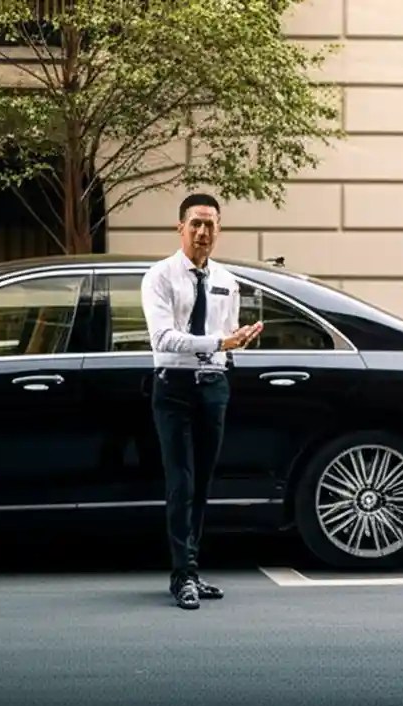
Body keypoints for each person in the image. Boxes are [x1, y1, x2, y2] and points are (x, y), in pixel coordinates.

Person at [140, 193, 263, 610]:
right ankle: (182, 576)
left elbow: (224, 341)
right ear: (180, 228)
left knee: (204, 483)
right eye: (195, 223)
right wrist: (221, 342)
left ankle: (192, 568)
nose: (203, 232)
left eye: (210, 224)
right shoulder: (159, 277)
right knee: (181, 482)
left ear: (219, 230)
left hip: (214, 385)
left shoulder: (227, 280)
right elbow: (165, 339)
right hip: (173, 386)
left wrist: (236, 344)